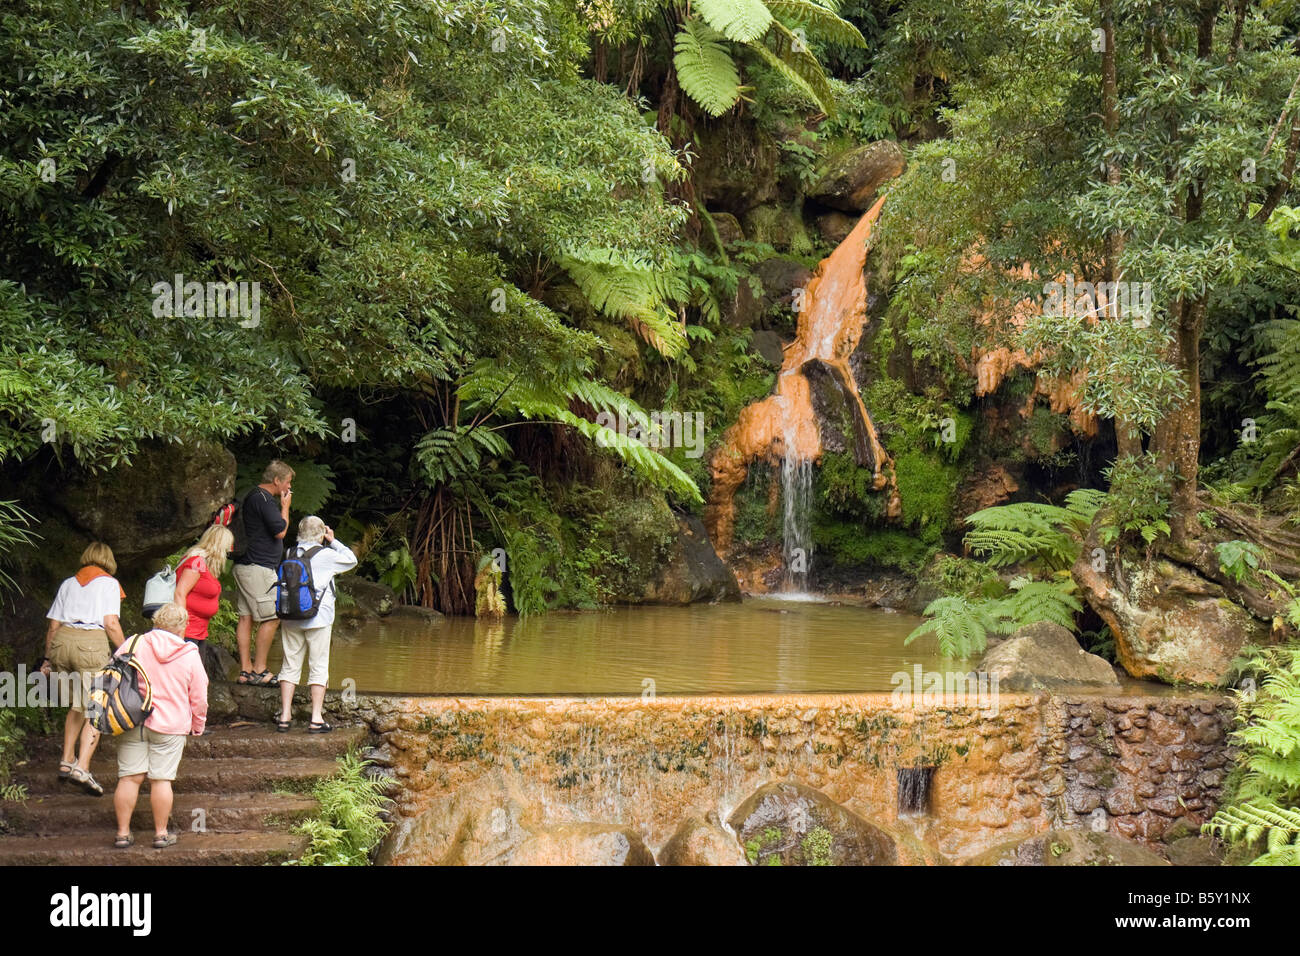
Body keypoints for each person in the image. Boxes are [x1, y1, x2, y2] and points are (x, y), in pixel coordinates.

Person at [111, 602, 208, 849]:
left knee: (129, 778)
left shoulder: (133, 643)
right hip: (171, 724)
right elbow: (199, 695)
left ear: (156, 622)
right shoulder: (189, 653)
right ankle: (161, 834)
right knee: (161, 780)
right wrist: (198, 724)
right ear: (182, 626)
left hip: (133, 719)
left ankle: (122, 834)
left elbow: (113, 676)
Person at [40, 542, 126, 796]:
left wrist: (47, 658)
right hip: (90, 644)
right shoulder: (110, 583)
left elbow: (53, 626)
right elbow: (110, 623)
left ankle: (66, 760)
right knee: (96, 706)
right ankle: (82, 767)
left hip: (63, 643)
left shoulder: (68, 583)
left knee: (77, 704)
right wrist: (127, 652)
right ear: (108, 560)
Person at [276, 516, 356, 734]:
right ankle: (316, 718)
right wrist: (333, 540)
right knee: (318, 665)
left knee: (289, 664)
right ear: (321, 534)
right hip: (318, 618)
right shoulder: (327, 555)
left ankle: (284, 716)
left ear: (299, 533)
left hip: (290, 616)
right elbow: (351, 559)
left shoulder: (290, 553)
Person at [233, 460, 294, 685]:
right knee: (272, 617)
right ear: (277, 481)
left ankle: (245, 670)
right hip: (258, 568)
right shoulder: (265, 499)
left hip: (247, 566)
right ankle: (259, 669)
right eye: (287, 482)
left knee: (246, 617)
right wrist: (285, 506)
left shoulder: (253, 497)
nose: (289, 487)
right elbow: (280, 531)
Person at [173, 524, 233, 648]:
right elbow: (180, 593)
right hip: (187, 632)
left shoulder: (205, 565)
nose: (230, 550)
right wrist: (181, 630)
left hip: (199, 633)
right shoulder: (196, 562)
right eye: (228, 546)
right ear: (220, 546)